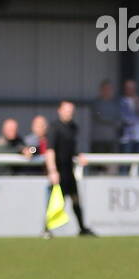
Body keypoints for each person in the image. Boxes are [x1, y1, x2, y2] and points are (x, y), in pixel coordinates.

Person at [45, 100, 94, 236]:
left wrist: (79, 156)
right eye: (66, 110)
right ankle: (46, 229)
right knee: (55, 201)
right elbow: (50, 151)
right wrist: (53, 171)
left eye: (71, 111)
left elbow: (71, 149)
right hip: (59, 170)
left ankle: (82, 229)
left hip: (69, 170)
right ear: (59, 111)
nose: (69, 113)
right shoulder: (54, 127)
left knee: (76, 199)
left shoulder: (73, 127)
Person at [89, 80, 121, 159]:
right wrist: (113, 121)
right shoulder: (96, 103)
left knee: (111, 162)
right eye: (105, 89)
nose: (107, 91)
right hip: (98, 139)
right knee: (98, 164)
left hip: (112, 139)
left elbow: (119, 118)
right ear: (101, 90)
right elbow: (100, 117)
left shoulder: (116, 103)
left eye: (109, 89)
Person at [119, 78, 139, 155]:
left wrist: (138, 106)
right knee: (125, 161)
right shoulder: (121, 101)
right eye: (128, 88)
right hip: (127, 136)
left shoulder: (138, 101)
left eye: (132, 88)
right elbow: (122, 118)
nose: (130, 90)